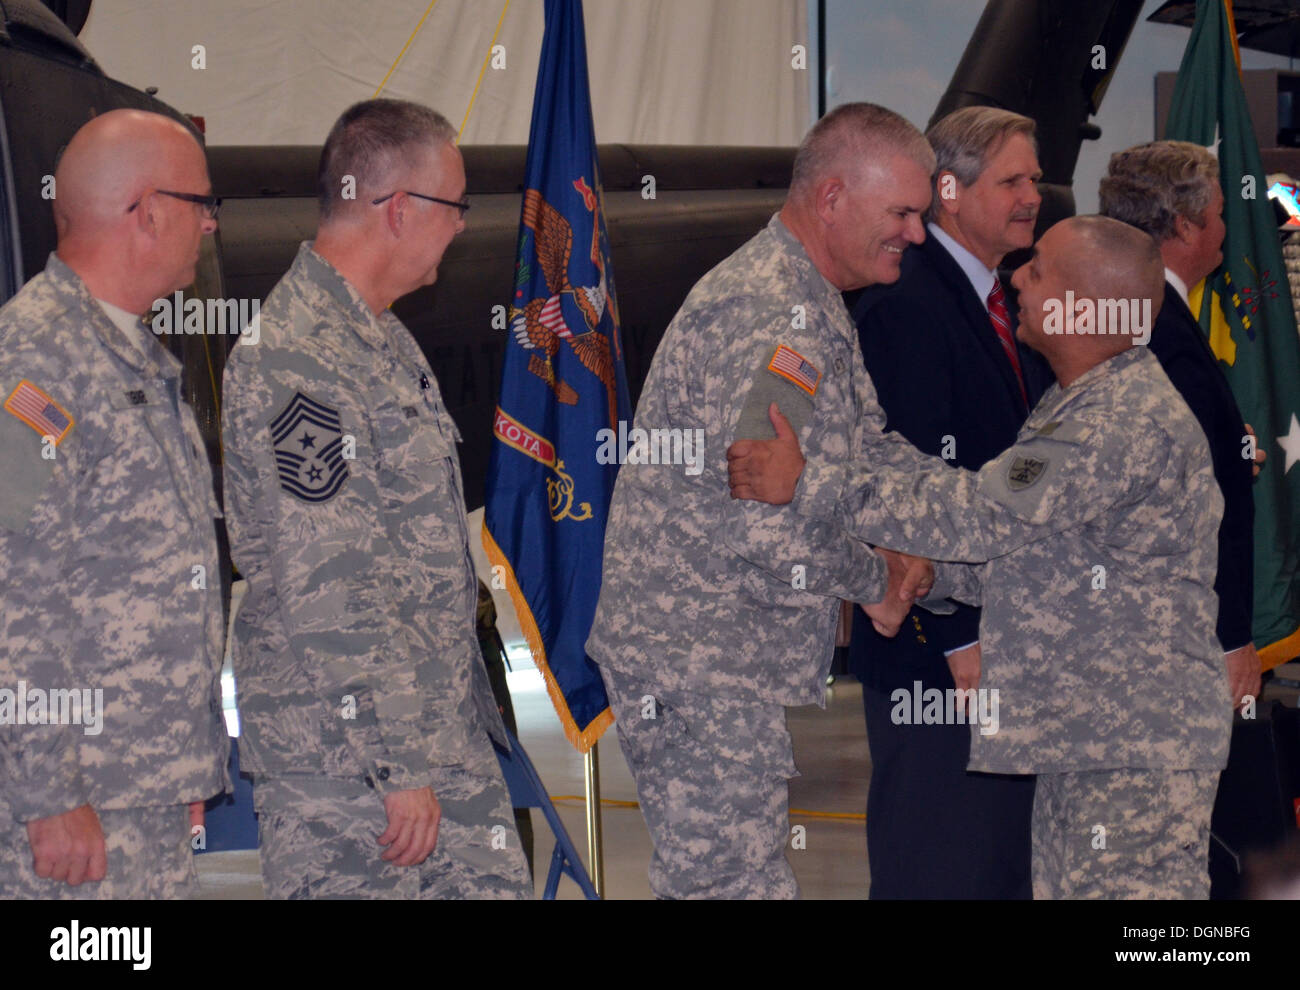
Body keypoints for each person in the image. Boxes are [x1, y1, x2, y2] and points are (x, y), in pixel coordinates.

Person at [729, 215, 1232, 898]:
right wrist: (926, 575)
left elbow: (981, 514)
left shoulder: (1119, 420)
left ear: (1083, 308)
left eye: (1039, 270)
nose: (1016, 276)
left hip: (1131, 756)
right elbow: (1028, 553)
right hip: (1091, 743)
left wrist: (808, 483)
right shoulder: (1079, 401)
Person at [586, 102, 950, 900]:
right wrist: (876, 580)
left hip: (722, 656)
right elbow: (764, 519)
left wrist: (959, 513)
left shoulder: (809, 300)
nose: (917, 235)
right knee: (729, 887)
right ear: (831, 199)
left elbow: (868, 450)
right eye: (902, 214)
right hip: (701, 659)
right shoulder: (768, 312)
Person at [222, 99, 529, 899]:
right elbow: (331, 581)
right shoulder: (299, 355)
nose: (462, 226)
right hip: (352, 778)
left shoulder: (381, 335)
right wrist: (396, 761)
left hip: (433, 744)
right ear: (399, 209)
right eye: (455, 205)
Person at [0, 109, 229, 897]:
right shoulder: (34, 363)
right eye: (202, 203)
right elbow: (11, 592)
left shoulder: (129, 355)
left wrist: (182, 754)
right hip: (70, 811)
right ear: (147, 210)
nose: (208, 224)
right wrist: (48, 793)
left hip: (136, 790)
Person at [845, 106, 1051, 899]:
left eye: (1034, 178)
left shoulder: (1001, 300)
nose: (1033, 195)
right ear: (949, 192)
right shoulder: (909, 306)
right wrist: (959, 637)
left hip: (1003, 645)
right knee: (939, 866)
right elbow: (898, 493)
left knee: (995, 867)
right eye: (1013, 180)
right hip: (938, 656)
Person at [1100, 140, 1263, 709]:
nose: (1224, 227)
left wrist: (1231, 449)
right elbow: (1197, 501)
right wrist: (1231, 638)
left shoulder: (1118, 316)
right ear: (1188, 227)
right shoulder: (1163, 332)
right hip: (1176, 636)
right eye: (1218, 212)